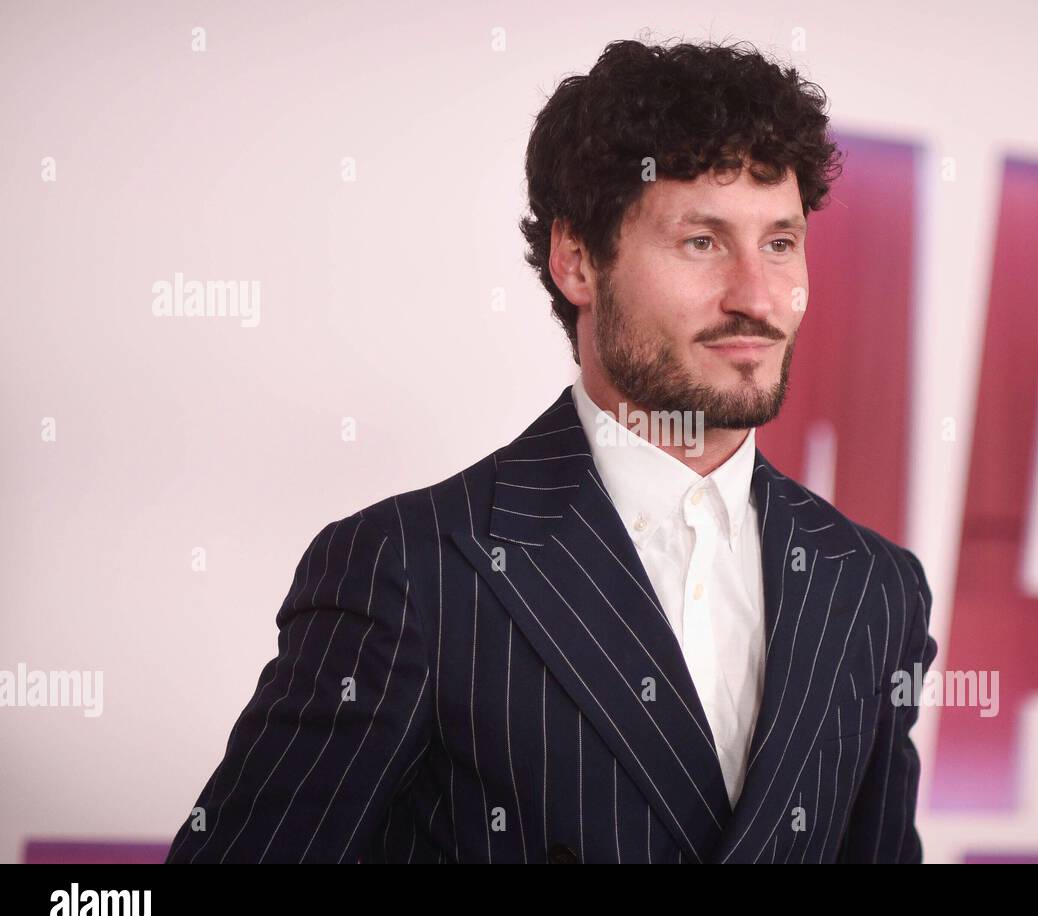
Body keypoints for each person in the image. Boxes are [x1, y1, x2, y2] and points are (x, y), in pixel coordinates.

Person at [165, 37, 937, 864]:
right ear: (577, 261)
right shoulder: (410, 570)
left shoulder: (873, 586)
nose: (756, 297)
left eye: (780, 243)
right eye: (702, 242)